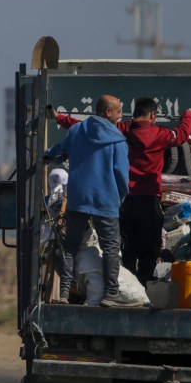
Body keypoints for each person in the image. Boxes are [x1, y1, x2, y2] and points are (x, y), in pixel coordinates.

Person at [53, 98, 191, 285]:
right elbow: (182, 134)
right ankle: (144, 283)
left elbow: (83, 127)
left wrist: (59, 118)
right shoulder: (161, 134)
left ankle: (128, 283)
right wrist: (188, 116)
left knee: (127, 245)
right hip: (149, 199)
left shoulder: (121, 130)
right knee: (150, 245)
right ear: (153, 115)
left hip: (125, 199)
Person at [44, 95, 135, 307]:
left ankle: (64, 292)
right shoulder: (119, 141)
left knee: (70, 246)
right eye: (119, 111)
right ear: (108, 112)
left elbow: (58, 153)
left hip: (78, 199)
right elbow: (122, 177)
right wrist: (119, 198)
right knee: (110, 248)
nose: (121, 116)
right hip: (106, 201)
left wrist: (46, 155)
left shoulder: (76, 131)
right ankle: (111, 293)